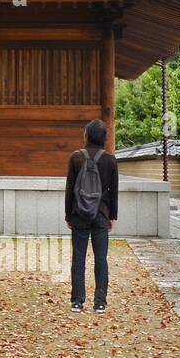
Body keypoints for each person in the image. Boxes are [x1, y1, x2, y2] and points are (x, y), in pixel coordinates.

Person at [64, 119, 118, 313]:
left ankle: (77, 301)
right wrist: (112, 216)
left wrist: (68, 215)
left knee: (78, 257)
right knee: (101, 257)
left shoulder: (76, 157)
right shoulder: (110, 160)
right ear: (104, 137)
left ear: (86, 136)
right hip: (101, 214)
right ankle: (100, 302)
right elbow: (113, 191)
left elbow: (70, 189)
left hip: (79, 214)